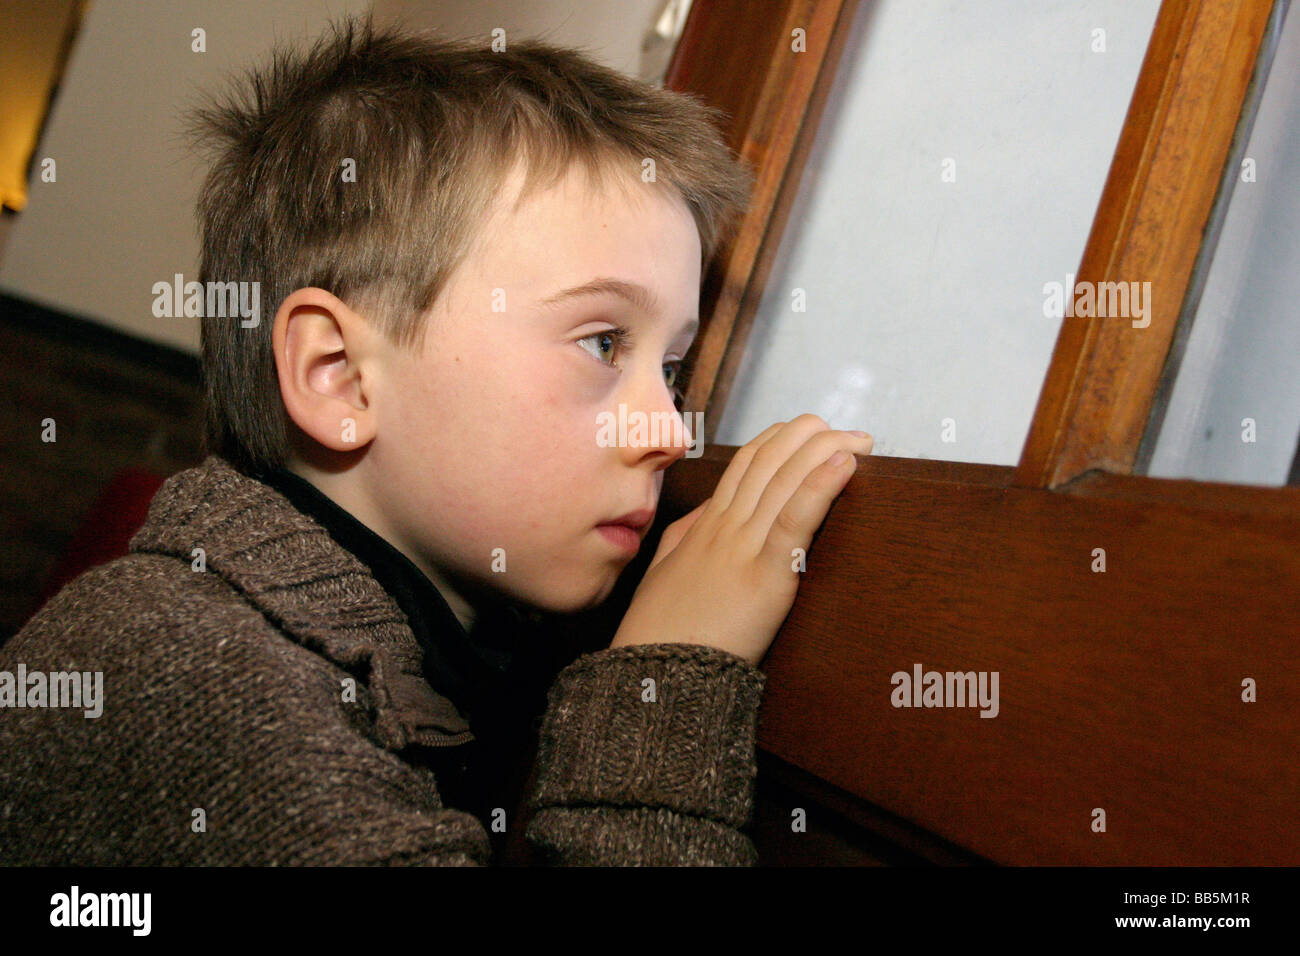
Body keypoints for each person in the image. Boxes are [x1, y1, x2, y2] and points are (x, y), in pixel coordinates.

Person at [0, 14, 872, 865]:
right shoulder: (191, 676)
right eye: (603, 343)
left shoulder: (441, 647)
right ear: (339, 375)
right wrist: (661, 686)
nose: (670, 432)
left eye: (672, 369)